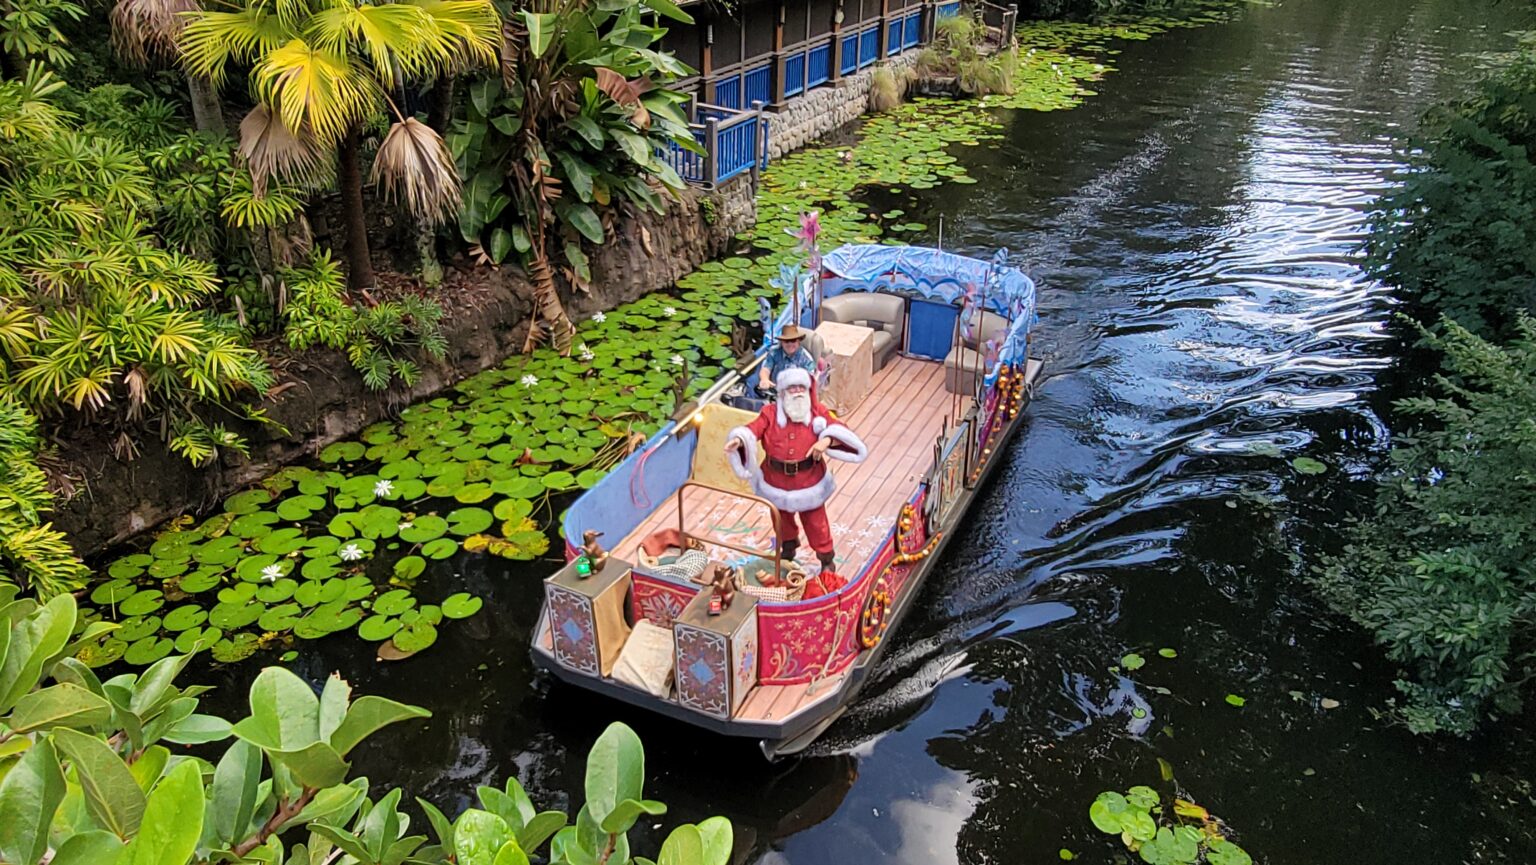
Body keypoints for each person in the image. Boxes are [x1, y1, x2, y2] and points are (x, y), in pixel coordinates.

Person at [725, 367, 868, 572]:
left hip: (809, 481)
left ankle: (826, 559)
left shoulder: (818, 412)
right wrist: (739, 440)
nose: (798, 392)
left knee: (816, 523)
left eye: (801, 387)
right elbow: (753, 429)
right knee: (781, 520)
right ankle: (788, 548)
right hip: (775, 480)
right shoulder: (769, 414)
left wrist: (826, 440)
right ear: (783, 392)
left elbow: (840, 429)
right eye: (792, 388)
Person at [757, 324, 818, 394]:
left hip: (797, 395)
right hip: (775, 393)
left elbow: (810, 381)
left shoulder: (807, 359)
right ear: (781, 342)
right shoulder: (774, 352)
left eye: (793, 340)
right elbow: (766, 369)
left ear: (798, 341)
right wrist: (764, 379)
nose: (790, 344)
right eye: (786, 341)